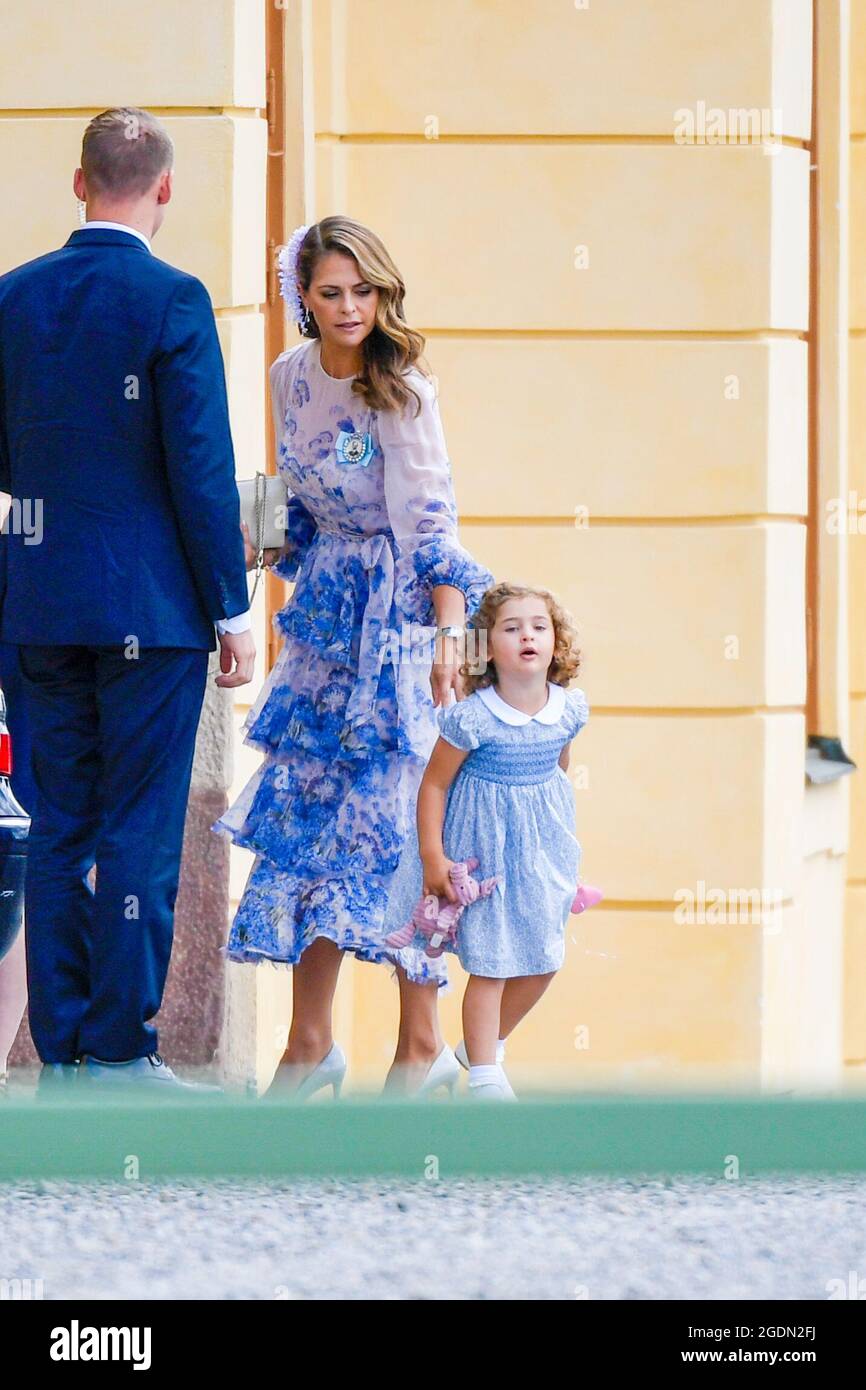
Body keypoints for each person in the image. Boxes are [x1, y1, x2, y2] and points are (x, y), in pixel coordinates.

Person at [0, 107, 254, 1095]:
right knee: (139, 827)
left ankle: (60, 1054)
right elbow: (199, 468)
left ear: (77, 183)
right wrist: (230, 608)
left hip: (37, 607)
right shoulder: (172, 299)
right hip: (151, 609)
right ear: (164, 188)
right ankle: (118, 1051)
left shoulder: (10, 300)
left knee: (58, 823)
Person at [212, 216, 494, 1099]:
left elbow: (431, 521)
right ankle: (309, 1044)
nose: (348, 308)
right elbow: (295, 502)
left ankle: (422, 1047)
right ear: (304, 296)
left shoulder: (403, 389)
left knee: (401, 831)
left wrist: (453, 639)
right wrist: (258, 547)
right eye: (330, 292)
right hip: (322, 631)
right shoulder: (287, 378)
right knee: (309, 833)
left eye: (362, 292)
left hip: (404, 636)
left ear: (383, 293)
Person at [382, 582, 590, 1099]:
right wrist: (434, 856)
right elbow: (434, 784)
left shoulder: (567, 711)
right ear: (487, 647)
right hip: (481, 854)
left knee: (545, 958)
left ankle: (474, 1050)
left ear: (556, 644)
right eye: (512, 628)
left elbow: (558, 770)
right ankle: (485, 1075)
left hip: (538, 853)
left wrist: (552, 838)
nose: (528, 636)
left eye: (539, 627)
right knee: (492, 962)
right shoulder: (473, 718)